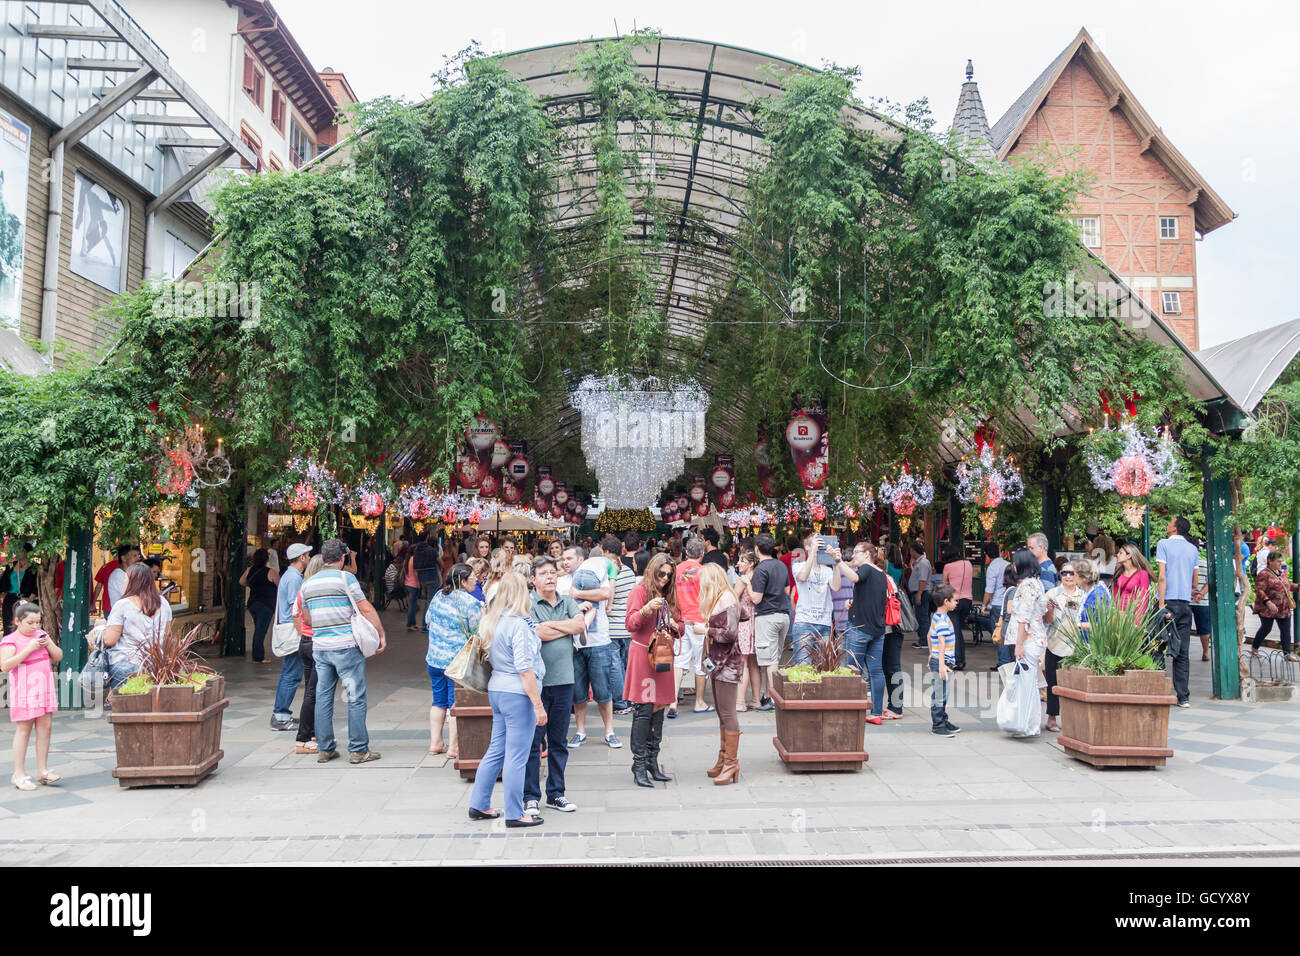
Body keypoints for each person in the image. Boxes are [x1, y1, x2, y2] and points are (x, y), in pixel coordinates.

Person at [468, 572, 547, 828]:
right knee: (517, 756)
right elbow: (525, 670)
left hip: (498, 689)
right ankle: (515, 812)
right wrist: (538, 705)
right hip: (517, 693)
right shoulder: (519, 625)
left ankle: (479, 803)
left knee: (496, 749)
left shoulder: (493, 621)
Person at [299, 539, 385, 764]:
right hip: (346, 646)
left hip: (321, 647)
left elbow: (307, 618)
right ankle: (358, 749)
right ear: (343, 557)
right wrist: (380, 633)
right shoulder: (346, 578)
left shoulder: (308, 584)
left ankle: (325, 748)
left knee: (323, 697)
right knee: (355, 696)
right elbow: (365, 608)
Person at [524, 555, 588, 814]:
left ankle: (556, 793)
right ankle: (530, 795)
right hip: (537, 684)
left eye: (553, 572)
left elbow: (580, 624)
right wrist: (565, 627)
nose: (550, 577)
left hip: (564, 680)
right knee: (533, 742)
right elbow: (536, 633)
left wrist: (552, 626)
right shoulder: (528, 603)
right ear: (533, 580)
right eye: (544, 573)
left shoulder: (567, 601)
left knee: (559, 741)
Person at [624, 552, 681, 787]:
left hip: (662, 655)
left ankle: (651, 761)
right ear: (653, 570)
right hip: (643, 655)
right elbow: (630, 623)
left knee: (658, 710)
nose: (666, 578)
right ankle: (638, 764)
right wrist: (647, 608)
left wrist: (676, 626)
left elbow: (682, 624)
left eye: (669, 575)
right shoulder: (639, 591)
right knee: (643, 710)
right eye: (662, 573)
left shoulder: (669, 595)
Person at [1, 602, 62, 789]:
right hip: (24, 690)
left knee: (46, 727)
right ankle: (19, 774)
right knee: (24, 729)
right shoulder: (11, 640)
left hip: (44, 688)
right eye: (30, 622)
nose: (35, 626)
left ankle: (42, 770)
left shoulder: (41, 636)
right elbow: (5, 665)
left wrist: (49, 642)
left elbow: (58, 656)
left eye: (38, 622)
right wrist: (29, 648)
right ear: (17, 621)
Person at [568, 537, 621, 748]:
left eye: (569, 558)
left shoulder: (597, 572)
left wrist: (577, 594)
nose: (565, 562)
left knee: (602, 690)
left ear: (580, 559)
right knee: (578, 692)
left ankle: (609, 731)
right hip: (574, 643)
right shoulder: (563, 579)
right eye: (563, 558)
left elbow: (605, 593)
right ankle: (580, 732)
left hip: (599, 642)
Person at [426, 563, 482, 757]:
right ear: (464, 581)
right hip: (457, 663)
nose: (477, 579)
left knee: (438, 701)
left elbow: (428, 620)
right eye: (473, 577)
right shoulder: (470, 602)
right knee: (455, 703)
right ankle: (454, 747)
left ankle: (435, 743)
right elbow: (478, 632)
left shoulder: (438, 595)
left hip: (434, 659)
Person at [699, 562, 746, 784]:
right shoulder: (726, 597)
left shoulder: (726, 599)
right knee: (722, 712)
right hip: (719, 663)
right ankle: (724, 759)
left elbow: (729, 634)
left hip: (728, 663)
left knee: (728, 714)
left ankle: (731, 763)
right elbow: (743, 615)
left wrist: (706, 629)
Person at [102, 563, 173, 691]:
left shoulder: (122, 605)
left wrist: (103, 628)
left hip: (125, 664)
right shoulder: (164, 604)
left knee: (123, 706)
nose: (124, 581)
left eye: (126, 578)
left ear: (131, 581)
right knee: (149, 704)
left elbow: (109, 640)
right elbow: (167, 636)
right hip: (155, 664)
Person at [841, 542, 891, 724]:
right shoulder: (881, 574)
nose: (854, 556)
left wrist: (838, 561)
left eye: (856, 552)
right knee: (876, 672)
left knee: (853, 670)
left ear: (867, 555)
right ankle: (876, 712)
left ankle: (852, 711)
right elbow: (872, 598)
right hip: (877, 629)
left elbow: (854, 578)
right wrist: (854, 603)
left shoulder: (867, 570)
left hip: (859, 629)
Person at [1156, 516, 1199, 707]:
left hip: (1168, 601)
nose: (1167, 525)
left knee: (1157, 646)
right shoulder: (1193, 549)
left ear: (1175, 528)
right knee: (1182, 651)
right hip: (1184, 603)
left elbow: (1162, 576)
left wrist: (1160, 604)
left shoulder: (1163, 544)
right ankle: (1183, 696)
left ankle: (1158, 691)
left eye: (1169, 522)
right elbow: (1195, 582)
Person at [270, 543, 312, 732]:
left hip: (291, 629)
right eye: (307, 554)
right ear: (301, 558)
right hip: (293, 631)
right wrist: (303, 633)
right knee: (291, 674)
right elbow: (295, 609)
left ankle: (283, 713)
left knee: (291, 673)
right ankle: (279, 715)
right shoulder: (294, 578)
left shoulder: (288, 575)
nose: (309, 557)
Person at [1008, 548, 1048, 737]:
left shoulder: (1026, 586)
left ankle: (1028, 725)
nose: (1013, 566)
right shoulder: (1037, 583)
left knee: (1027, 684)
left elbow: (1023, 617)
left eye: (1015, 562)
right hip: (1037, 637)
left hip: (1029, 639)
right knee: (1030, 683)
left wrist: (1019, 644)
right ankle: (1030, 724)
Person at [748, 534, 790, 712]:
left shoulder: (760, 569)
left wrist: (747, 585)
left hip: (767, 616)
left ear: (757, 549)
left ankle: (773, 699)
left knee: (769, 660)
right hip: (783, 616)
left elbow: (756, 599)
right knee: (776, 658)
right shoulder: (781, 565)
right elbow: (787, 590)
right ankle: (769, 695)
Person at [1044, 561, 1086, 733]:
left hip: (1076, 645)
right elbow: (1047, 621)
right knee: (1053, 682)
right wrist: (1050, 611)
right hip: (1055, 643)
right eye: (1064, 573)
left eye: (1071, 573)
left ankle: (1073, 718)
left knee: (1074, 683)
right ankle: (1052, 717)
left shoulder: (1083, 595)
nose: (1068, 576)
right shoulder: (1052, 594)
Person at [791, 531, 843, 665]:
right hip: (804, 622)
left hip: (824, 623)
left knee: (823, 665)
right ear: (807, 546)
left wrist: (836, 562)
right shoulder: (798, 566)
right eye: (816, 542)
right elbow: (802, 577)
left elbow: (836, 587)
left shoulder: (827, 570)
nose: (820, 545)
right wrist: (813, 552)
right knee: (803, 664)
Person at [291, 555, 325, 754]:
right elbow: (306, 617)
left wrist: (303, 634)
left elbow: (295, 614)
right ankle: (303, 739)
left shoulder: (303, 589)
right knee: (313, 692)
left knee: (312, 690)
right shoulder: (312, 591)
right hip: (315, 642)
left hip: (306, 641)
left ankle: (312, 733)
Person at [672, 538, 709, 715]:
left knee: (679, 661)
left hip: (681, 620)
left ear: (686, 552)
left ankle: (672, 701)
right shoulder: (704, 572)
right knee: (700, 663)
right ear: (702, 554)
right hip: (699, 620)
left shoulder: (676, 570)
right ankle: (699, 702)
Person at [1252, 549, 1298, 660]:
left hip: (1283, 607)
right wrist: (1268, 602)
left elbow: (1286, 585)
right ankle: (1254, 648)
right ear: (1269, 561)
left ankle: (1287, 654)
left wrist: (1297, 587)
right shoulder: (1264, 574)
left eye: (1280, 561)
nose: (1280, 563)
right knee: (1266, 628)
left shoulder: (1281, 573)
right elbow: (1259, 590)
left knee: (1286, 630)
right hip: (1267, 608)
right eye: (1278, 561)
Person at [610, 536, 638, 714]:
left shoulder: (607, 575)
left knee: (615, 665)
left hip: (612, 628)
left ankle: (621, 701)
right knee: (628, 664)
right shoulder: (629, 572)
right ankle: (632, 697)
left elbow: (607, 601)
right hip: (628, 626)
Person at [928, 585, 960, 737]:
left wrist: (931, 654)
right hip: (943, 662)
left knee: (942, 693)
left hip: (940, 660)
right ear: (946, 601)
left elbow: (929, 636)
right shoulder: (942, 620)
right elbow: (941, 642)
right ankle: (938, 724)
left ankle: (942, 719)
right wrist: (941, 665)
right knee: (940, 695)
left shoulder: (938, 616)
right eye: (955, 600)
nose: (957, 603)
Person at [732, 548, 761, 712]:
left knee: (742, 663)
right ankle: (756, 699)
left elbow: (733, 599)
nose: (738, 563)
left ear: (751, 564)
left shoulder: (743, 580)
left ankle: (740, 702)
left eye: (742, 561)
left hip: (744, 622)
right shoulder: (758, 577)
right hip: (755, 621)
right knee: (753, 663)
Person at [239, 548, 279, 664]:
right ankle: (258, 657)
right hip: (266, 604)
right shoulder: (271, 572)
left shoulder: (249, 570)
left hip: (253, 604)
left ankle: (257, 654)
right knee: (261, 631)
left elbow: (241, 582)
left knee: (258, 628)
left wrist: (251, 585)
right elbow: (280, 586)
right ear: (266, 559)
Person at [941, 544, 974, 671]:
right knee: (957, 629)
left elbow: (944, 585)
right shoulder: (968, 564)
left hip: (954, 602)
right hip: (968, 600)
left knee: (955, 632)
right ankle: (957, 658)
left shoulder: (947, 567)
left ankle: (959, 660)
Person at [1114, 542, 1152, 616]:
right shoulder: (1119, 572)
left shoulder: (1142, 574)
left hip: (1132, 615)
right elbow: (1115, 596)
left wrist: (1137, 621)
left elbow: (1144, 599)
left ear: (1129, 556)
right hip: (1119, 615)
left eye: (1120, 553)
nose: (1117, 555)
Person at [908, 541, 932, 650]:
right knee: (921, 616)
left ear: (914, 551)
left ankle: (924, 640)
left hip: (921, 592)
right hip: (919, 592)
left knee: (922, 617)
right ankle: (923, 639)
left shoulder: (923, 563)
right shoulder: (919, 563)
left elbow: (922, 580)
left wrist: (919, 594)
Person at [92, 545, 127, 616]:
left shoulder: (105, 567)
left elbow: (98, 587)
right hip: (123, 606)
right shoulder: (126, 567)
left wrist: (93, 603)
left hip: (107, 605)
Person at [106, 545, 142, 612]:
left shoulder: (130, 575)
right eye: (134, 556)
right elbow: (132, 597)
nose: (138, 559)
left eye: (138, 556)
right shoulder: (118, 575)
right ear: (124, 558)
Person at [1191, 551, 1212, 662]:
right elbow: (1210, 582)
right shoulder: (1205, 563)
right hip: (1202, 601)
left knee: (1183, 628)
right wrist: (1201, 594)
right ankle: (1205, 653)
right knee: (1204, 629)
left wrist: (1192, 593)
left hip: (1187, 600)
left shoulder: (1187, 562)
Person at [400, 538, 422, 632]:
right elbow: (416, 573)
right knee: (412, 606)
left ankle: (413, 623)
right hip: (414, 584)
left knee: (412, 605)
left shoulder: (408, 559)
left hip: (408, 583)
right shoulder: (414, 559)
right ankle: (410, 624)